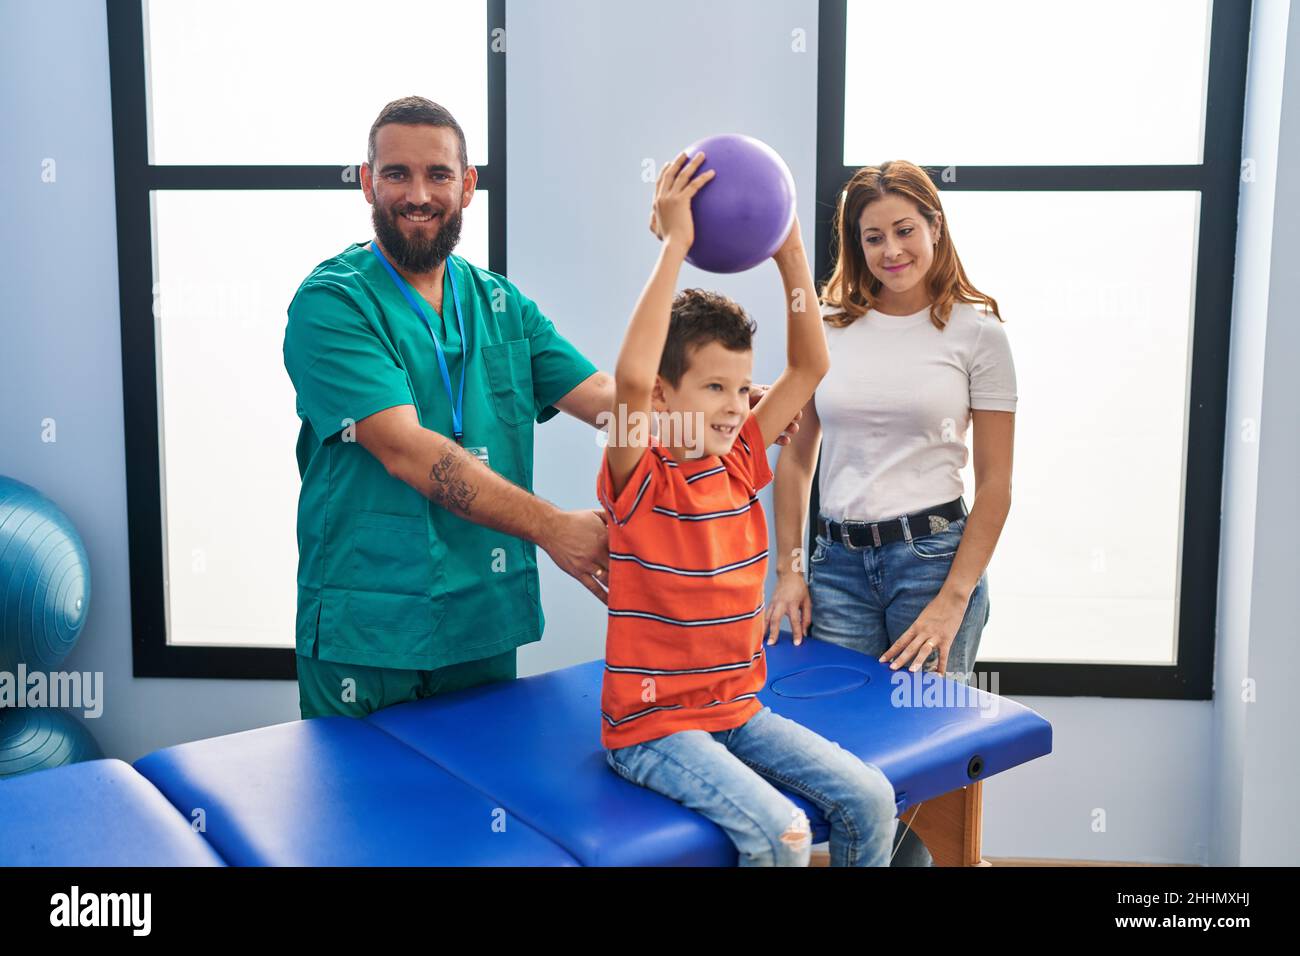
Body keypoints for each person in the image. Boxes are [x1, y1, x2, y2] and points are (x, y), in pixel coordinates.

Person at [283, 97, 798, 720]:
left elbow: (612, 403)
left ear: (468, 186)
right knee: (359, 811)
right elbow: (407, 450)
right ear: (368, 182)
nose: (419, 194)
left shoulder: (500, 304)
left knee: (485, 807)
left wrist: (729, 414)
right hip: (368, 627)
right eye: (397, 174)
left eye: (439, 174)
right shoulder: (333, 304)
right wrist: (554, 527)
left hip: (481, 620)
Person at [597, 152, 897, 867]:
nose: (737, 408)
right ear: (667, 398)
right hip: (652, 725)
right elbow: (633, 376)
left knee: (872, 799)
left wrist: (790, 247)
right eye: (713, 389)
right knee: (783, 835)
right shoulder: (641, 470)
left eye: (741, 389)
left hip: (735, 710)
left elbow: (809, 368)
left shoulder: (741, 459)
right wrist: (674, 244)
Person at [765, 160, 1017, 866]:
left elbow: (995, 485)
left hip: (933, 563)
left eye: (905, 230)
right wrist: (789, 571)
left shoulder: (977, 333)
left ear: (936, 227)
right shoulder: (829, 327)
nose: (891, 250)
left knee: (920, 764)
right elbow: (795, 458)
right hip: (837, 565)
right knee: (840, 759)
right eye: (872, 236)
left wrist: (951, 603)